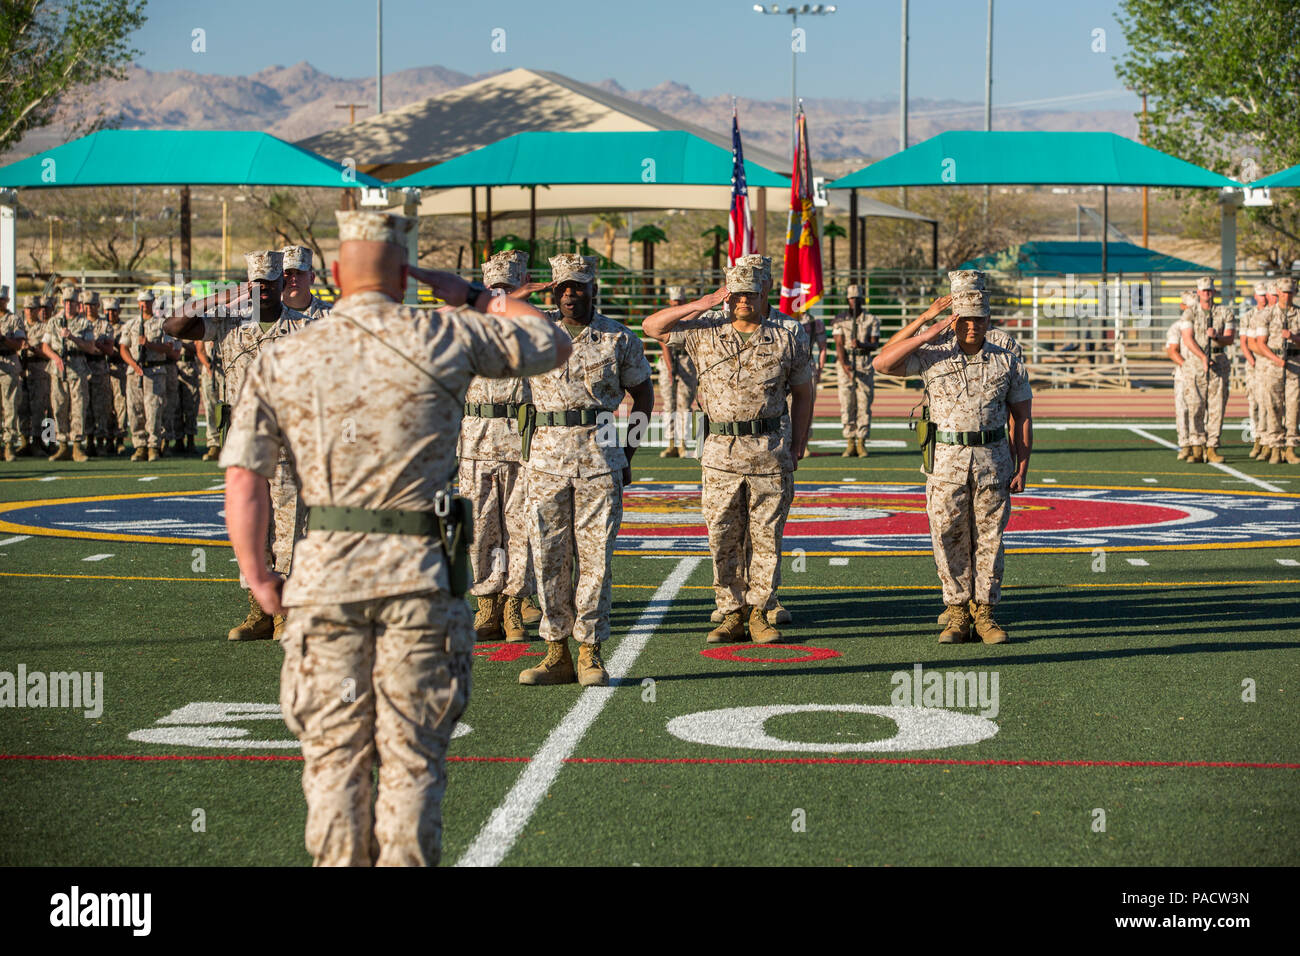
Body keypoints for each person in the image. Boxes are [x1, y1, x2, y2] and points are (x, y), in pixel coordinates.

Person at [221, 209, 567, 866]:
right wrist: (472, 294)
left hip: (323, 578)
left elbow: (244, 479)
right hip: (420, 575)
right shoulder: (443, 331)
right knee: (411, 759)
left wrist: (259, 578)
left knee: (332, 758)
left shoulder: (287, 352)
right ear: (407, 274)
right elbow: (550, 342)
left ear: (331, 273)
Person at [643, 263, 812, 644]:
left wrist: (800, 442)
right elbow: (653, 327)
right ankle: (731, 610)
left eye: (749, 293)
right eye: (735, 294)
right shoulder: (704, 331)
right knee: (722, 536)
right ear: (727, 295)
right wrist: (704, 302)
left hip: (769, 450)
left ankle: (759, 611)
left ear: (762, 294)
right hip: (720, 453)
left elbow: (803, 392)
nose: (742, 301)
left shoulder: (785, 339)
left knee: (766, 537)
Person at [164, 250, 319, 640]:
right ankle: (258, 610)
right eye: (257, 283)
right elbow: (174, 325)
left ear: (283, 283)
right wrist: (218, 296)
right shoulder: (228, 320)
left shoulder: (306, 323)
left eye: (270, 282)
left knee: (288, 526)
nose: (264, 290)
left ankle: (284, 610)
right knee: (252, 526)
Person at [516, 253, 654, 687]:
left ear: (594, 288)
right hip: (544, 462)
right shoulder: (535, 332)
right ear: (552, 292)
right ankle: (555, 652)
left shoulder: (618, 338)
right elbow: (487, 312)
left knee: (595, 561)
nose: (570, 295)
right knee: (549, 557)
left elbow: (643, 398)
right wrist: (522, 295)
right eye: (562, 288)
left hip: (599, 458)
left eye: (578, 286)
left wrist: (627, 455)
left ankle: (590, 652)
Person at [874, 271, 1032, 644]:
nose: (972, 325)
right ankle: (957, 610)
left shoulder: (1005, 357)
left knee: (990, 539)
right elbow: (883, 362)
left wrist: (1022, 464)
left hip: (993, 459)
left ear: (988, 318)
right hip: (945, 462)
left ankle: (985, 612)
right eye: (964, 317)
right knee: (947, 536)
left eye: (979, 317)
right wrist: (927, 327)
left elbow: (1022, 416)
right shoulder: (933, 352)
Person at [459, 250, 538, 642]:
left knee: (520, 530)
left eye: (510, 287)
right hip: (474, 443)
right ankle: (486, 605)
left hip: (522, 443)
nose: (502, 295)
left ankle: (513, 608)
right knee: (480, 528)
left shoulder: (537, 327)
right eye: (495, 288)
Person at [1181, 276, 1234, 463]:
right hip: (1196, 363)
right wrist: (1203, 357)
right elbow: (1187, 339)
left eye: (1209, 290)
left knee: (1217, 406)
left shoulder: (1224, 312)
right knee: (1195, 405)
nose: (1207, 294)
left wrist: (1217, 336)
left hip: (1218, 362)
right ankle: (1196, 445)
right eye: (1204, 291)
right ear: (1198, 292)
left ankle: (1212, 447)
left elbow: (1230, 338)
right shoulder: (1190, 313)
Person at [120, 289, 175, 462]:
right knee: (135, 409)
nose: (144, 305)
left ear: (153, 303)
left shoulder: (162, 324)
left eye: (148, 302)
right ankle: (140, 446)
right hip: (135, 372)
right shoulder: (130, 325)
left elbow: (169, 348)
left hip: (155, 372)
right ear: (138, 304)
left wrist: (149, 345)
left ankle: (153, 446)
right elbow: (123, 348)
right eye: (142, 302)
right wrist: (133, 364)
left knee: (154, 410)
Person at [43, 286, 95, 462]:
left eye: (71, 302)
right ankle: (63, 444)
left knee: (78, 407)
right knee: (58, 407)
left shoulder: (85, 323)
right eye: (65, 301)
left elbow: (90, 347)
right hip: (58, 369)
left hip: (78, 368)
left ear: (77, 304)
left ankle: (77, 446)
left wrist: (72, 337)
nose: (68, 305)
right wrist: (55, 357)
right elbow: (45, 346)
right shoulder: (54, 322)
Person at [1255, 276, 1300, 464]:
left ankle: (1290, 447)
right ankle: (1275, 446)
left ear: (1294, 293)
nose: (1287, 296)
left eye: (1290, 292)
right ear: (1278, 292)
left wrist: (1294, 337)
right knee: (1273, 406)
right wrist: (1274, 359)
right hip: (1273, 364)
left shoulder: (1298, 314)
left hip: (1295, 364)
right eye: (1284, 292)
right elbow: (1259, 343)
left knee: (1293, 407)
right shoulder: (1267, 314)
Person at [832, 284, 880, 457]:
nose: (854, 302)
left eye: (857, 299)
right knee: (846, 403)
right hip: (846, 362)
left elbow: (875, 343)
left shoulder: (871, 319)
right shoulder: (840, 319)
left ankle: (861, 441)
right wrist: (844, 364)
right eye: (851, 298)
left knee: (864, 403)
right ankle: (849, 441)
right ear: (847, 300)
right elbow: (838, 343)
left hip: (864, 362)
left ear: (862, 299)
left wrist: (862, 344)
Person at [657, 285, 698, 458]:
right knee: (669, 404)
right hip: (668, 360)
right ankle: (671, 443)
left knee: (685, 404)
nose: (677, 303)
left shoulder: (690, 316)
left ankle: (683, 443)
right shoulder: (664, 316)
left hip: (686, 360)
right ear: (670, 301)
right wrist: (669, 367)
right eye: (674, 300)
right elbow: (662, 341)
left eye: (680, 301)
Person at [1165, 292, 1195, 460]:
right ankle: (1185, 445)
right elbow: (1172, 351)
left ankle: (1200, 444)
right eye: (1189, 306)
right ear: (1183, 307)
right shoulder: (1176, 327)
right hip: (1184, 375)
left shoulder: (1202, 326)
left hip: (1203, 374)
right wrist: (1188, 367)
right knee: (1182, 410)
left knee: (1201, 411)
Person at [1241, 282, 1269, 460]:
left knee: (1271, 404)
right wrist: (1253, 362)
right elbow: (1244, 343)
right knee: (1255, 404)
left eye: (1266, 294)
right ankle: (1258, 438)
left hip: (1271, 365)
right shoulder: (1249, 316)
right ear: (1256, 297)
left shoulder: (1273, 314)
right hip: (1255, 364)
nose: (1264, 298)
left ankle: (1270, 441)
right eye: (1261, 295)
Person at [0, 286, 26, 461]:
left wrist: (2, 339)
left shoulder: (14, 320)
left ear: (7, 301)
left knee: (10, 407)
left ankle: (9, 445)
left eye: (2, 299)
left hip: (8, 364)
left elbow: (19, 344)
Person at [101, 296, 130, 455]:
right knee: (105, 406)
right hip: (103, 369)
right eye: (108, 311)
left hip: (119, 368)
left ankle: (119, 439)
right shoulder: (101, 327)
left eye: (113, 310)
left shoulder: (124, 328)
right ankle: (107, 439)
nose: (110, 314)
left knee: (120, 405)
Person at [281, 245, 333, 319]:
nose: (294, 278)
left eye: (300, 272)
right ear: (279, 278)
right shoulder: (269, 316)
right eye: (288, 273)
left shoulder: (330, 315)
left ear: (312, 277)